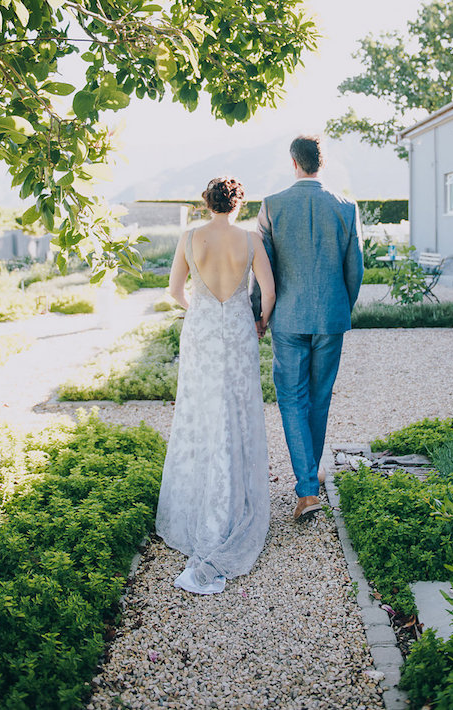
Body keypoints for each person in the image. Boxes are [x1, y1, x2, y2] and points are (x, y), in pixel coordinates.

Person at [156, 177, 276, 595]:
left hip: (202, 332)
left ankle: (200, 502)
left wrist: (200, 308)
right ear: (238, 204)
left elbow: (174, 290)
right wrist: (260, 321)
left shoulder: (190, 238)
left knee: (201, 410)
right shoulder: (251, 240)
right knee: (237, 410)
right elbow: (268, 292)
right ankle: (233, 503)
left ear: (207, 203)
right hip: (239, 330)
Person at [252, 135, 363, 522]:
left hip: (288, 318)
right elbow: (355, 269)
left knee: (292, 399)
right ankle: (309, 481)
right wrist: (340, 308)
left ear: (293, 162)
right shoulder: (346, 207)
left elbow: (262, 269)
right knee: (319, 397)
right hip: (330, 317)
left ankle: (307, 488)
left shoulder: (272, 205)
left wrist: (259, 314)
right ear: (322, 163)